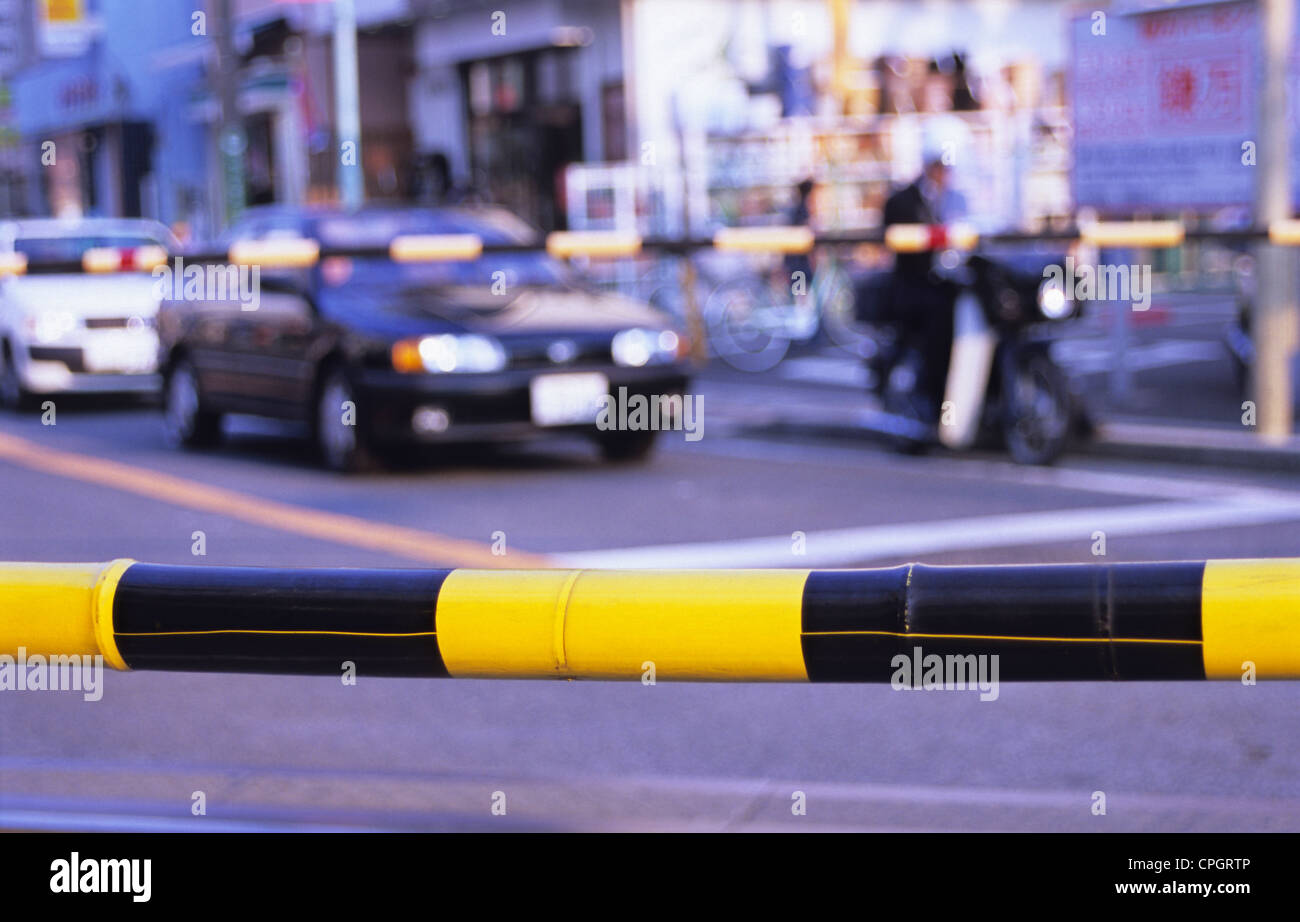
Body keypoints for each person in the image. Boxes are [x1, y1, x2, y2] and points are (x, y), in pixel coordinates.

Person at [881, 120, 969, 420]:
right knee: (939, 325)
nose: (946, 174)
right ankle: (933, 399)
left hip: (947, 282)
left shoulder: (957, 198)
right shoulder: (903, 200)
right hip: (916, 289)